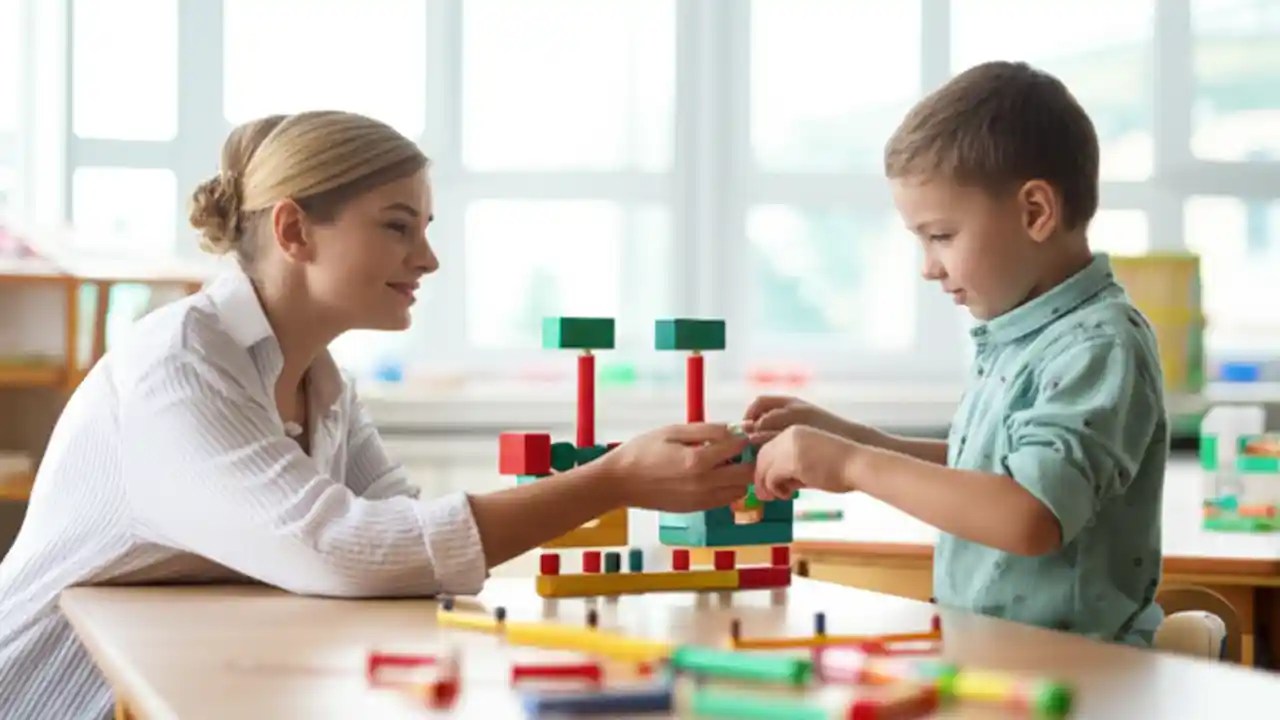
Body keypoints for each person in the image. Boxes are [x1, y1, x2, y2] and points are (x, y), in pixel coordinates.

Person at [0, 110, 754, 719]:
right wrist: (613, 480)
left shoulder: (321, 382)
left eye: (424, 228)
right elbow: (344, 549)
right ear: (294, 231)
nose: (427, 258)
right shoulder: (179, 366)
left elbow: (405, 537)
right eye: (398, 226)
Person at [746, 61, 1168, 647]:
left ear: (1036, 212)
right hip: (997, 654)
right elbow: (988, 477)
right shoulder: (1024, 334)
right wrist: (853, 439)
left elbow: (1028, 513)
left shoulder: (1098, 346)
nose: (928, 267)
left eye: (941, 236)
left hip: (1076, 668)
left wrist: (852, 464)